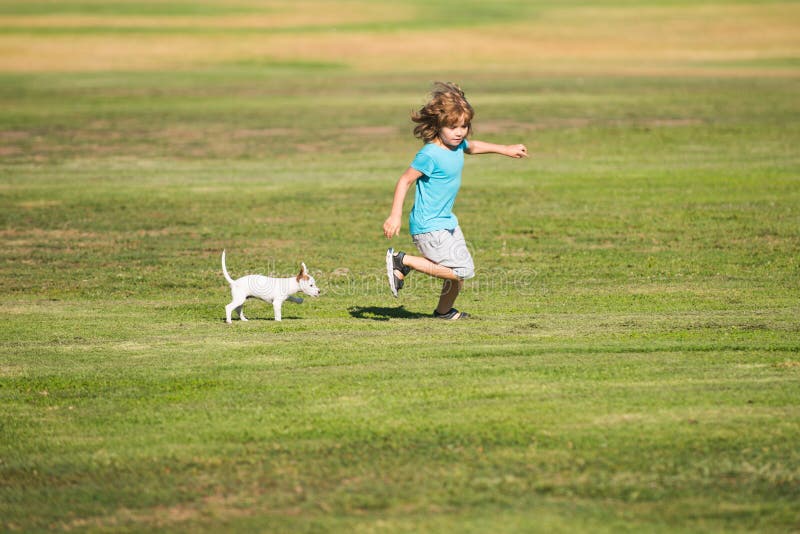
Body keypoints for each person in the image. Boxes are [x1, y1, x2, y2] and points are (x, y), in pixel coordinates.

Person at [383, 82, 528, 320]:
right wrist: (395, 215)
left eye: (464, 126)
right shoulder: (430, 154)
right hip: (429, 225)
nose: (460, 132)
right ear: (438, 125)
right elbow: (404, 181)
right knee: (462, 270)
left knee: (459, 274)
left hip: (447, 222)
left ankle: (443, 312)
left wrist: (505, 149)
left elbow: (473, 146)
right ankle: (403, 261)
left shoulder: (457, 144)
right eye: (453, 127)